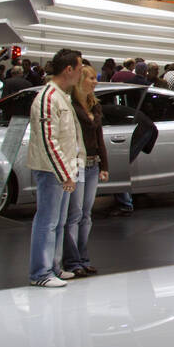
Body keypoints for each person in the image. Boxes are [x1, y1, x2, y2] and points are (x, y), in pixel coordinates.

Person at [27, 49, 85, 288]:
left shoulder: (62, 96)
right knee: (47, 222)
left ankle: (53, 267)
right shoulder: (48, 98)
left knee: (58, 222)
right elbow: (48, 140)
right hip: (52, 171)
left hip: (62, 171)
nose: (82, 72)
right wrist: (64, 173)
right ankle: (40, 272)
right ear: (68, 69)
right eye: (80, 68)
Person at [63, 65, 107, 277]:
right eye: (91, 78)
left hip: (92, 165)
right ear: (81, 80)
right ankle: (71, 261)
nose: (95, 81)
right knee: (75, 214)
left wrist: (104, 166)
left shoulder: (95, 105)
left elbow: (99, 139)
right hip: (77, 164)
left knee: (86, 215)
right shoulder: (70, 106)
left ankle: (83, 258)